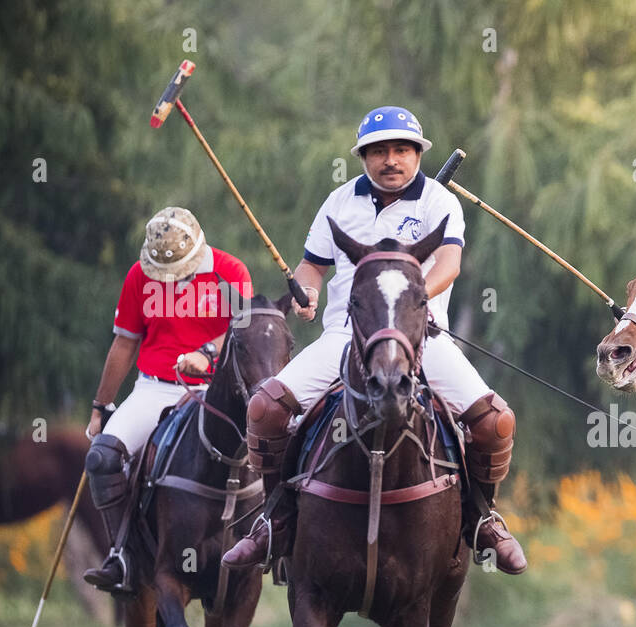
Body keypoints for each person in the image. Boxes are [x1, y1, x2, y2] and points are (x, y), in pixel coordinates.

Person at [221, 106, 527, 573]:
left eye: (402, 150)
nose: (391, 159)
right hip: (346, 334)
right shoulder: (339, 202)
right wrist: (306, 291)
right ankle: (275, 518)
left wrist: (404, 298)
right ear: (363, 157)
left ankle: (483, 517)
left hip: (422, 336)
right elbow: (312, 266)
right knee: (264, 409)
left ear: (417, 154)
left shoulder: (439, 204)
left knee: (495, 423)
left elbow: (448, 265)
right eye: (379, 151)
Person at [83, 207, 252, 591]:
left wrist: (207, 352)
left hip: (217, 392)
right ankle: (122, 556)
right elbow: (125, 342)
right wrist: (100, 407)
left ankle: (278, 544)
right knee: (102, 457)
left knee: (277, 444)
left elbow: (244, 331)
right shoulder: (140, 273)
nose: (172, 279)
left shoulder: (229, 271)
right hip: (155, 388)